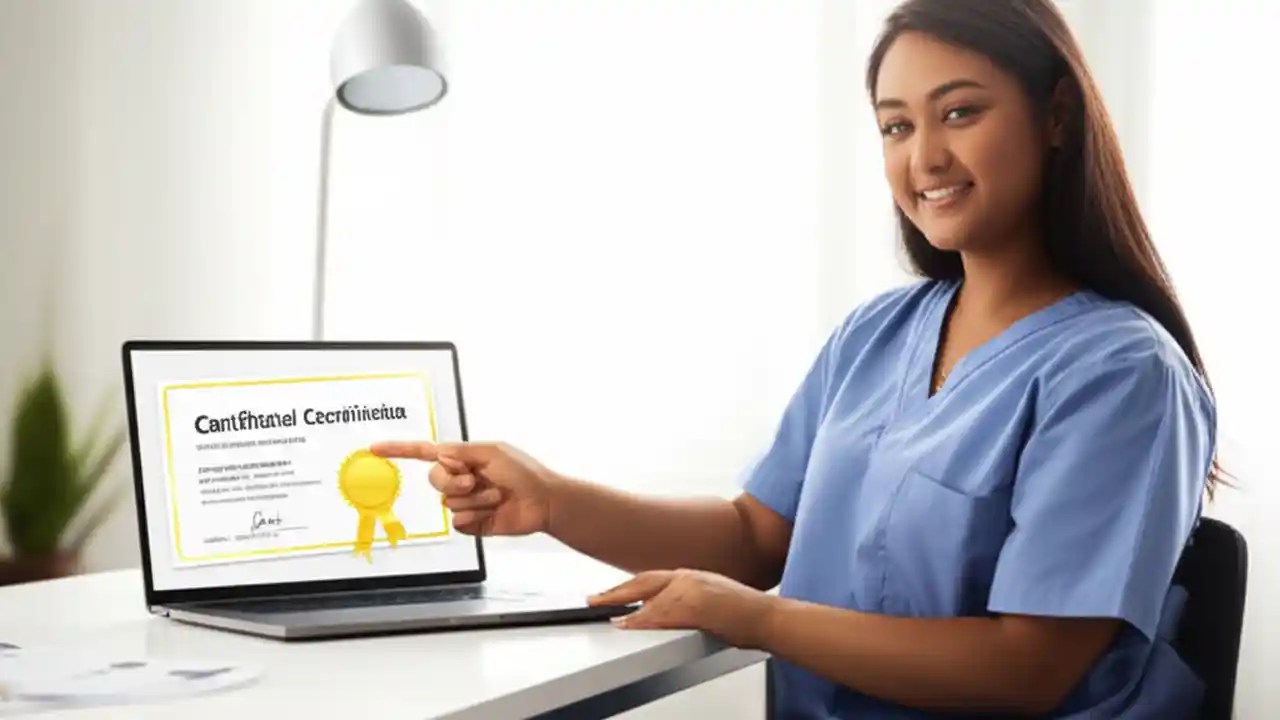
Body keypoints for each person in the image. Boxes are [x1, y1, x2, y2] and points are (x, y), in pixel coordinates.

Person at [372, 0, 1220, 716]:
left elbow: (1029, 671)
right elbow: (751, 538)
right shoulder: (877, 334)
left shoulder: (1120, 373)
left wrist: (763, 621)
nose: (923, 157)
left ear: (1057, 116)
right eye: (896, 125)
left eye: (960, 112)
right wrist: (551, 499)